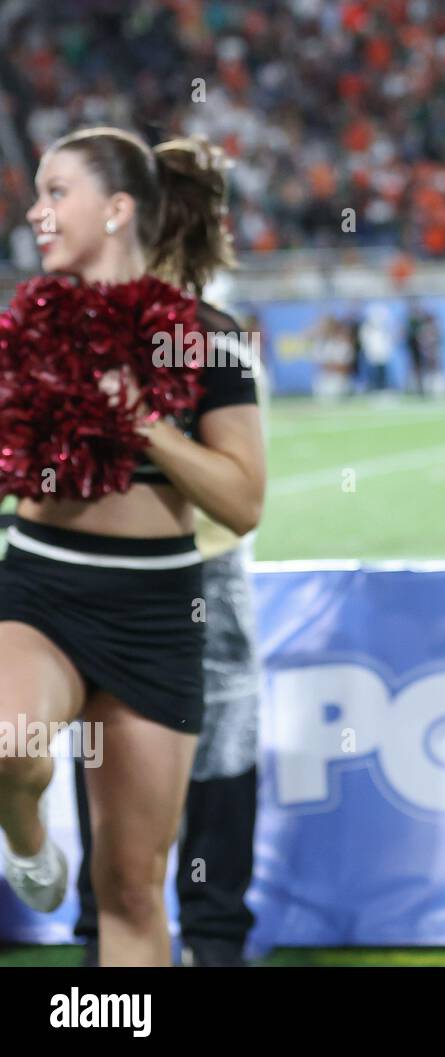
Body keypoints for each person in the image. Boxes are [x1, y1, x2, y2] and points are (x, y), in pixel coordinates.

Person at [0, 127, 266, 966]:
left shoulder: (206, 335)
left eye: (56, 192)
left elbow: (242, 499)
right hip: (44, 586)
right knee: (11, 741)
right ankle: (30, 843)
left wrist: (144, 425)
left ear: (118, 208)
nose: (37, 212)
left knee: (129, 884)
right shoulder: (26, 325)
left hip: (158, 607)